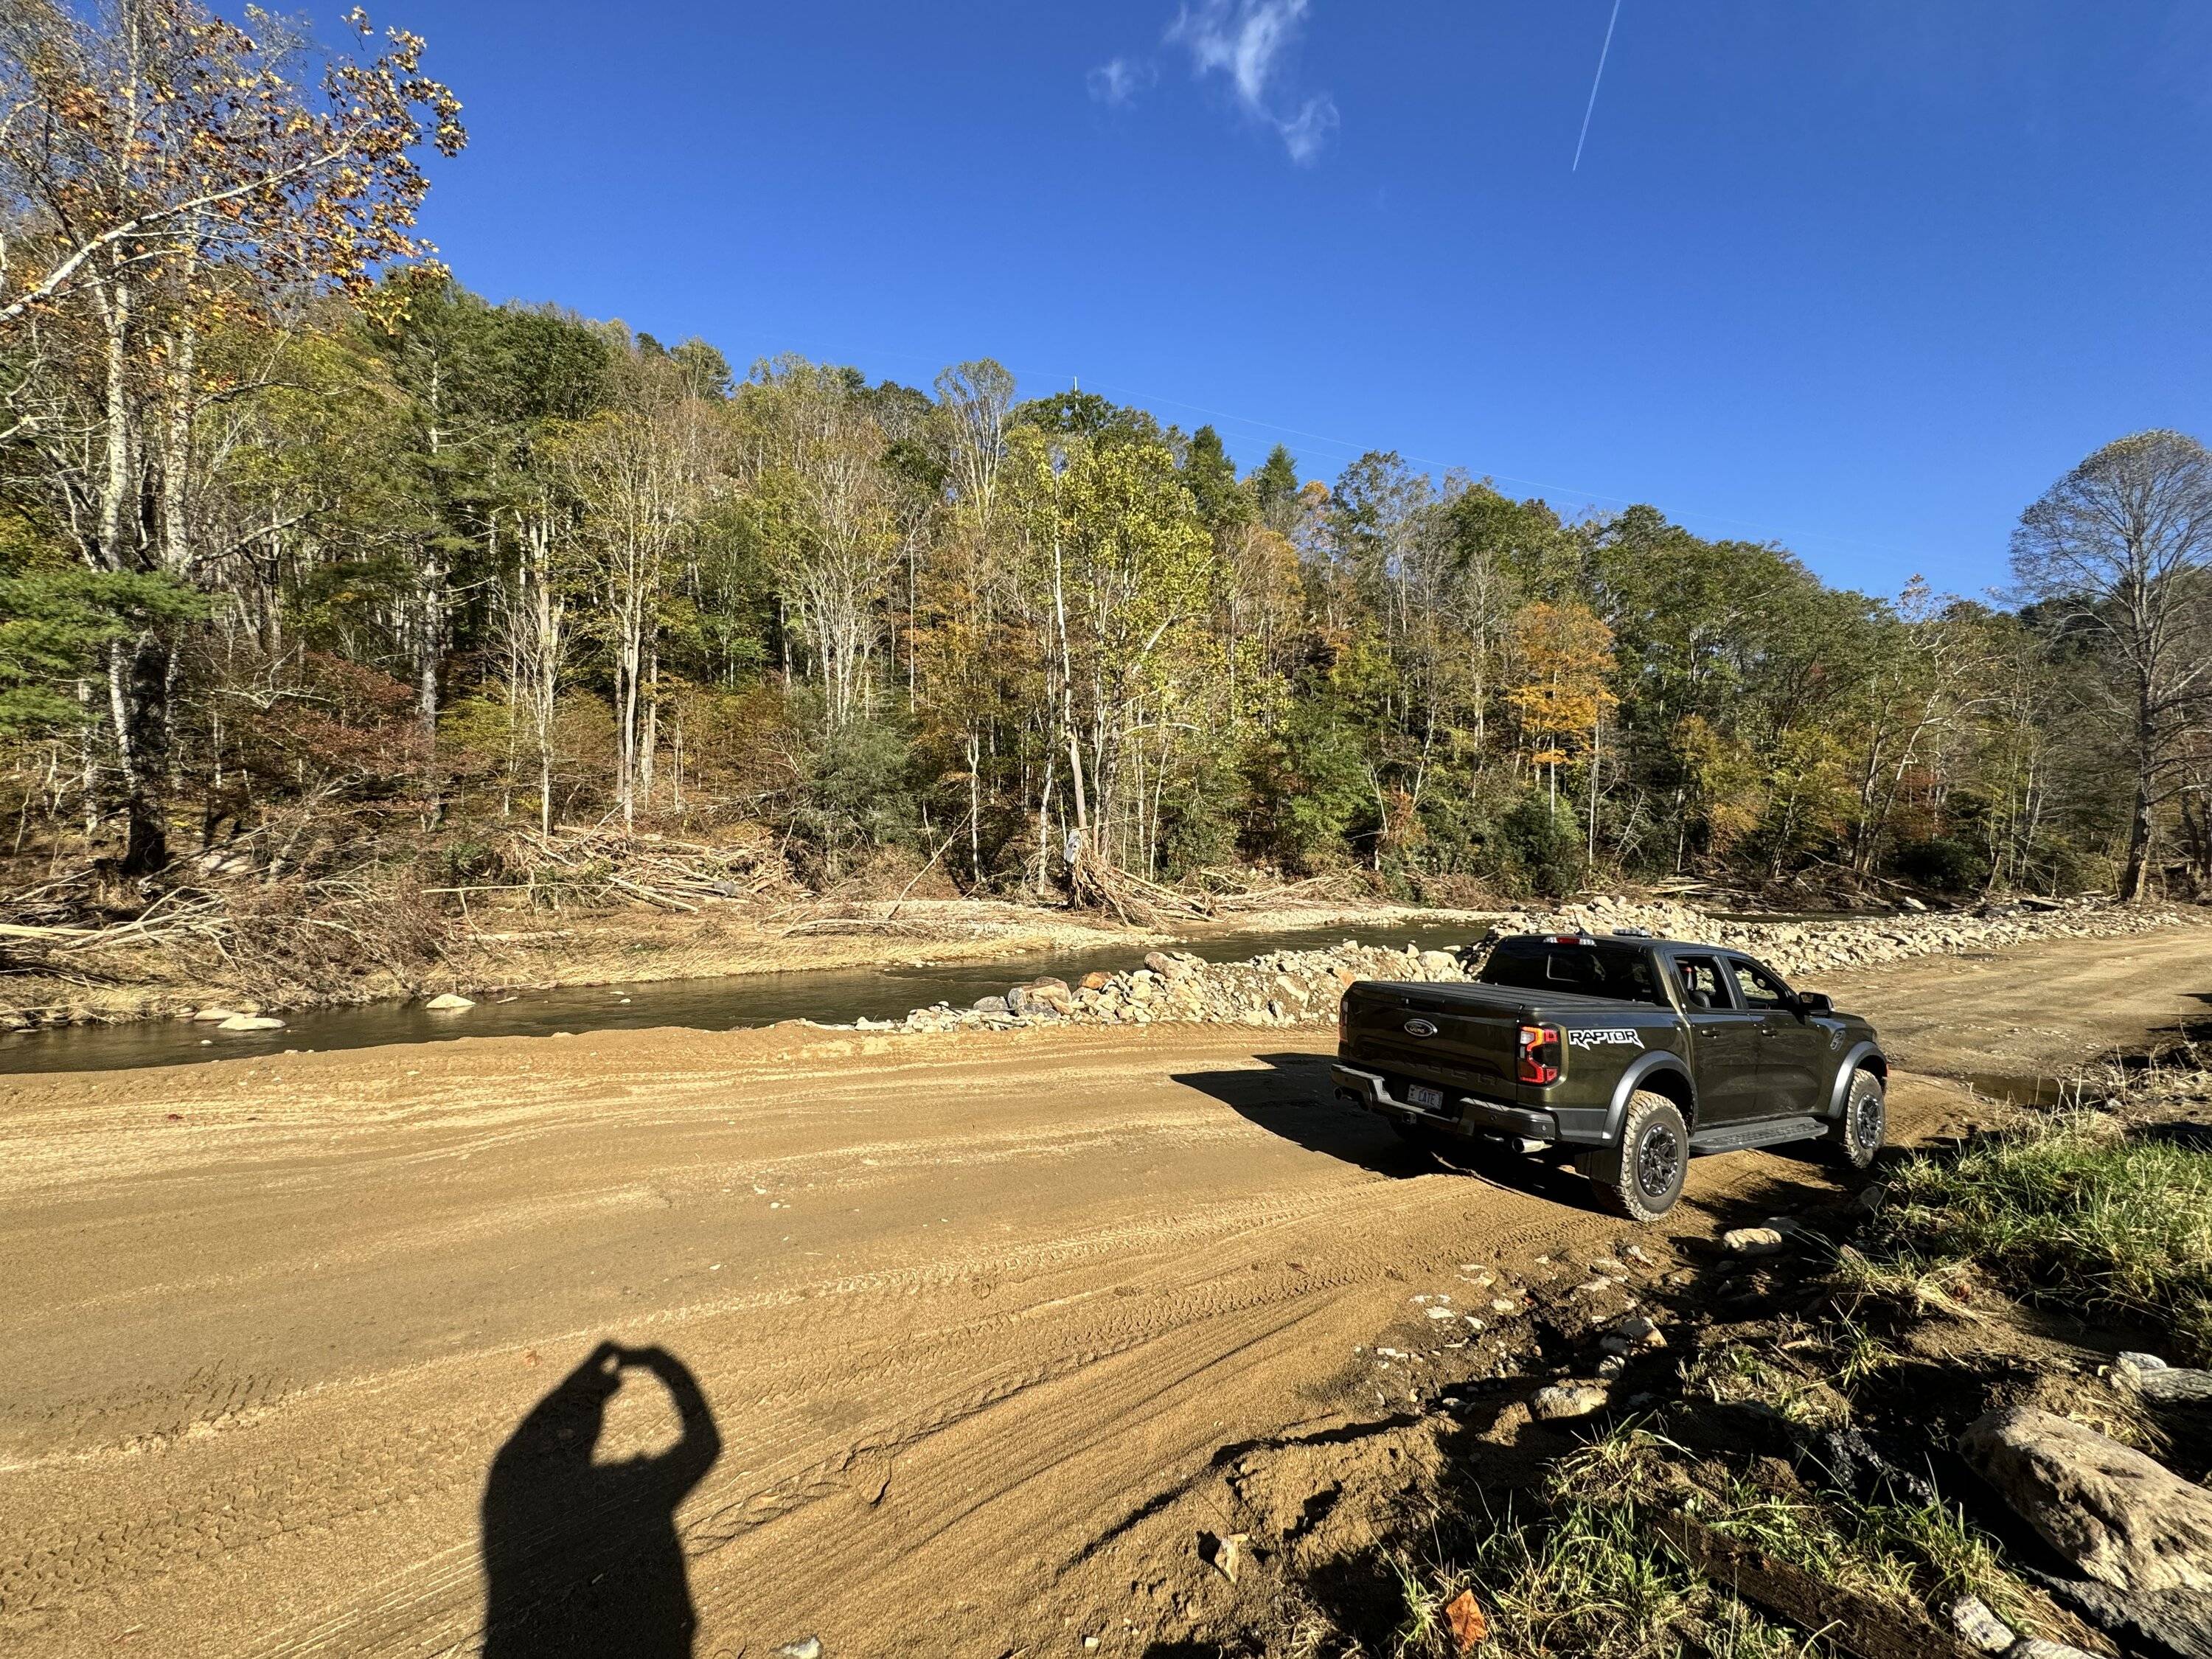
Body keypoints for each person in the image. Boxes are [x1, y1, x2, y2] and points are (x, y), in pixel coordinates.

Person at [481, 1341, 721, 1658]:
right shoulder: (642, 1500)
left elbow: (705, 1445)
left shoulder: (524, 1505)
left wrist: (655, 1362)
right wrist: (660, 1365)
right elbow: (704, 1446)